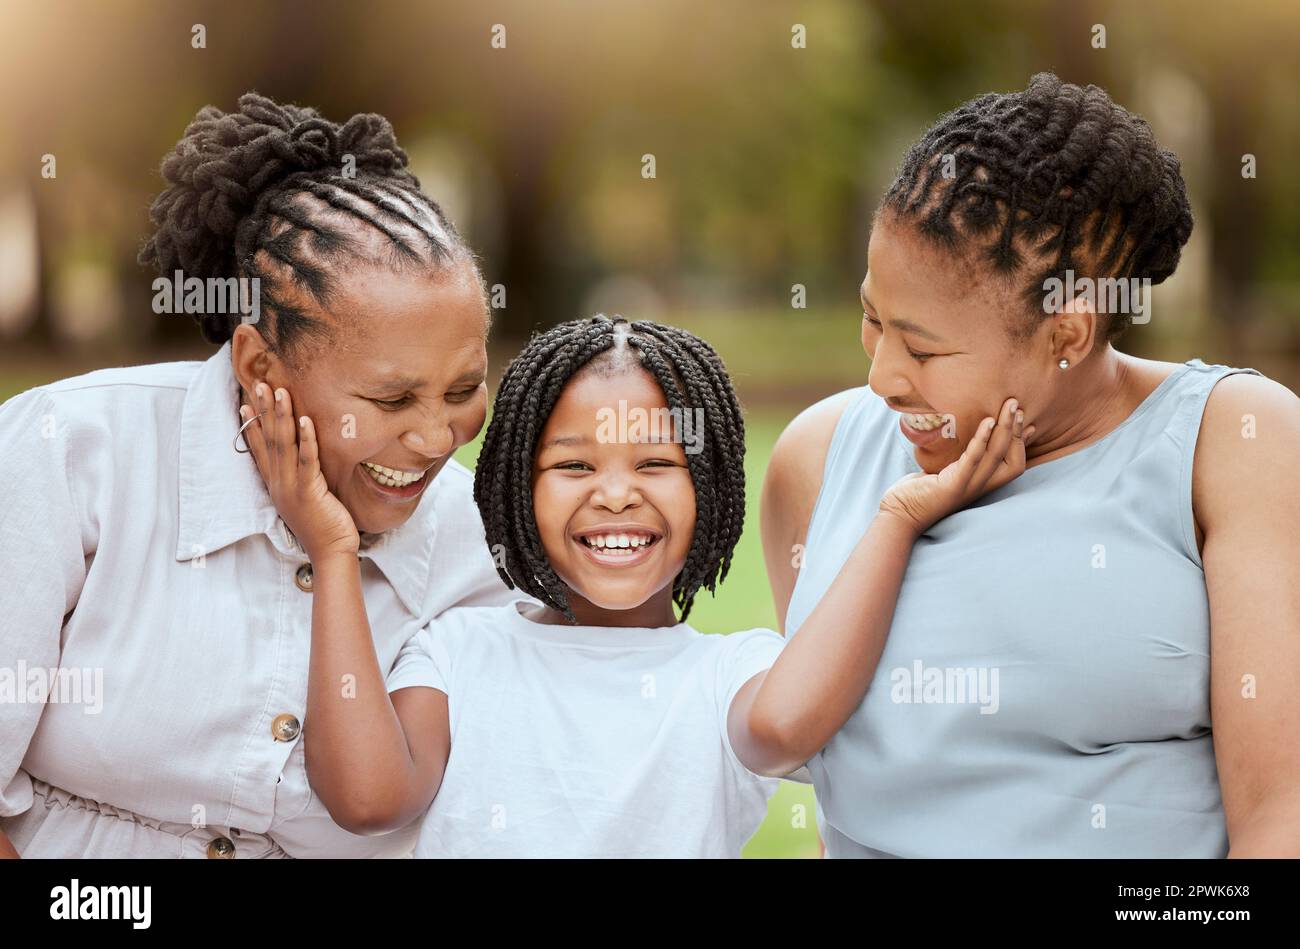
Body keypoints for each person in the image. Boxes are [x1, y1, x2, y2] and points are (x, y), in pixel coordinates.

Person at [238, 314, 1030, 857]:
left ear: (712, 487)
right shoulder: (458, 649)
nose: (615, 494)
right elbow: (368, 798)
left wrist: (896, 517)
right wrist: (334, 550)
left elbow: (787, 727)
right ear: (517, 484)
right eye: (575, 465)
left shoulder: (732, 675)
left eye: (656, 464)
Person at [761, 73, 1300, 857]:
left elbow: (1280, 821)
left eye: (923, 347)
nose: (882, 377)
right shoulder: (818, 458)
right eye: (872, 319)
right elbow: (832, 791)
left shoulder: (1235, 441)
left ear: (1067, 335)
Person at [0, 93, 519, 858]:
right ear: (257, 364)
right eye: (391, 396)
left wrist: (335, 547)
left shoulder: (475, 548)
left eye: (464, 388)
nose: (437, 435)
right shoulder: (74, 453)